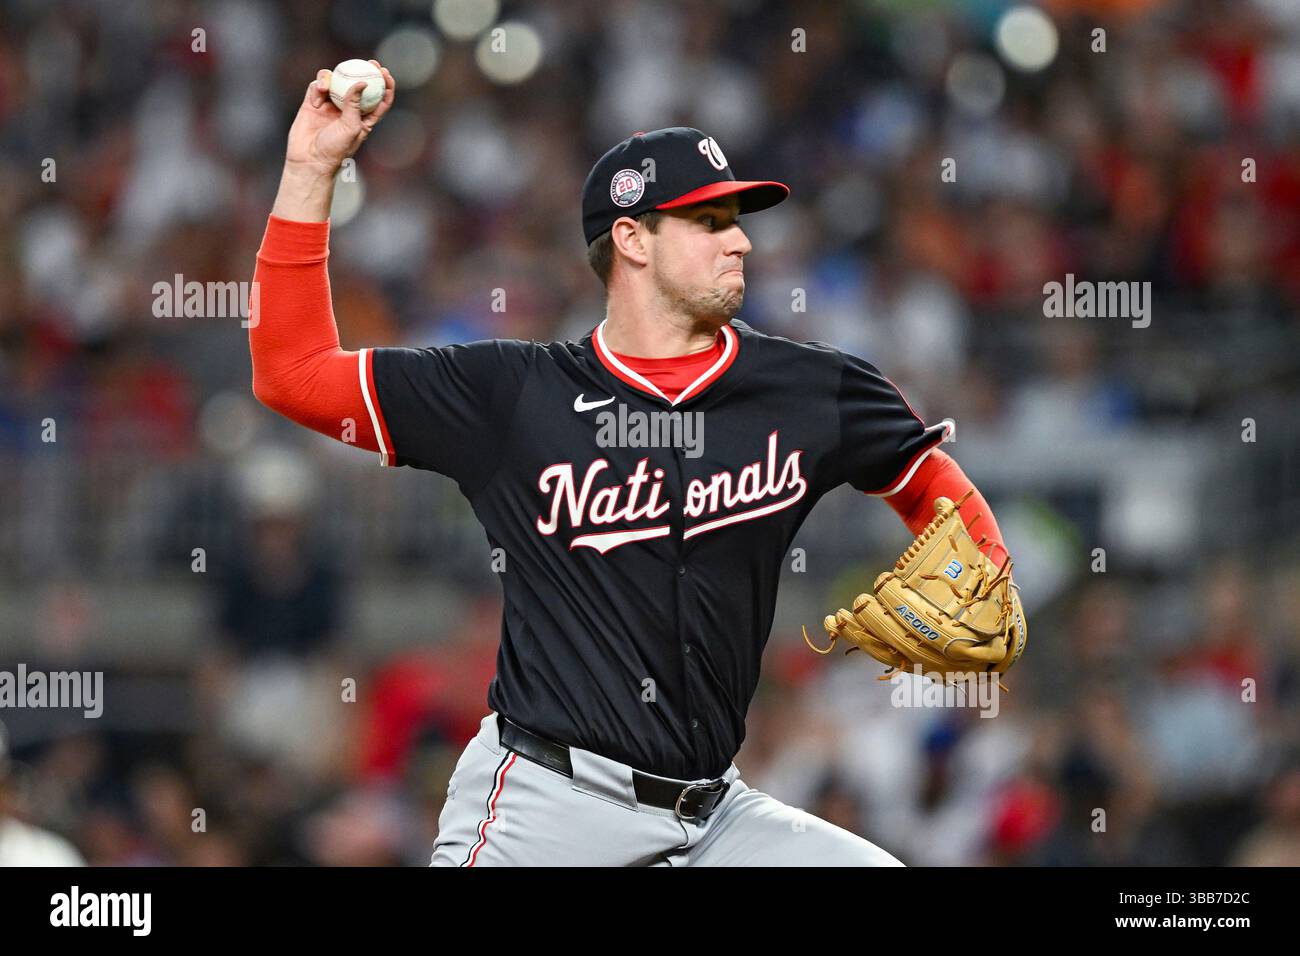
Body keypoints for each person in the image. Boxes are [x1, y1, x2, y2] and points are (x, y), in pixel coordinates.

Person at [249, 64, 1015, 866]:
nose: (741, 240)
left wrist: (987, 569)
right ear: (631, 239)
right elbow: (292, 374)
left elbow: (924, 476)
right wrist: (310, 170)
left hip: (717, 815)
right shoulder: (512, 395)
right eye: (709, 221)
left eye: (735, 220)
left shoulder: (810, 389)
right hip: (550, 805)